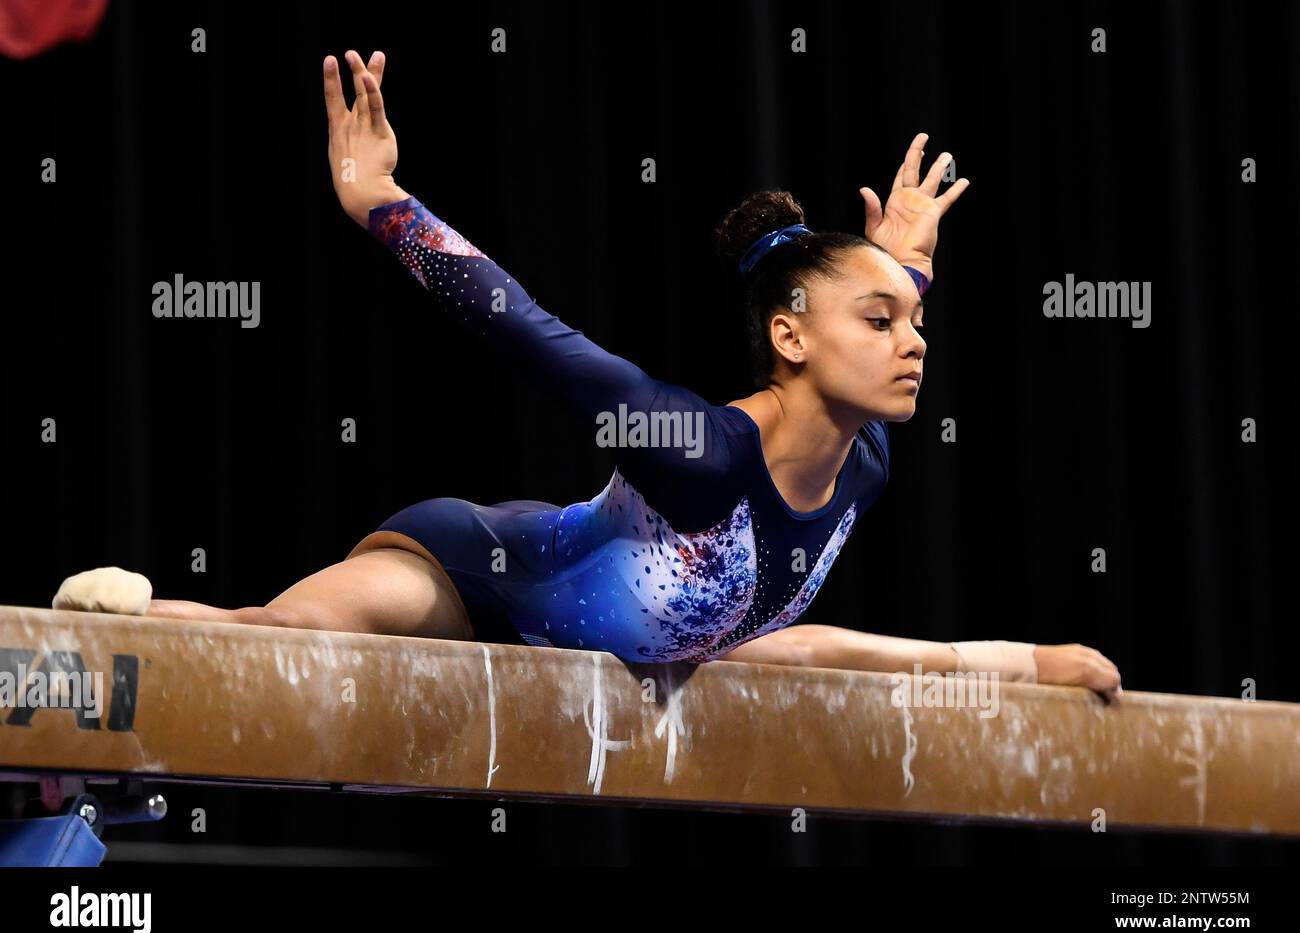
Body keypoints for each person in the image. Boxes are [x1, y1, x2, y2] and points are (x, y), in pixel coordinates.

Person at [53, 49, 1121, 700]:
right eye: (882, 320)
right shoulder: (699, 453)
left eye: (916, 319)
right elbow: (531, 335)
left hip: (668, 649)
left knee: (795, 658)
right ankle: (104, 631)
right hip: (472, 581)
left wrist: (899, 268)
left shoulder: (867, 463)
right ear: (790, 337)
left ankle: (1025, 660)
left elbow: (803, 640)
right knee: (278, 647)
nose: (915, 339)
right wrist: (381, 205)